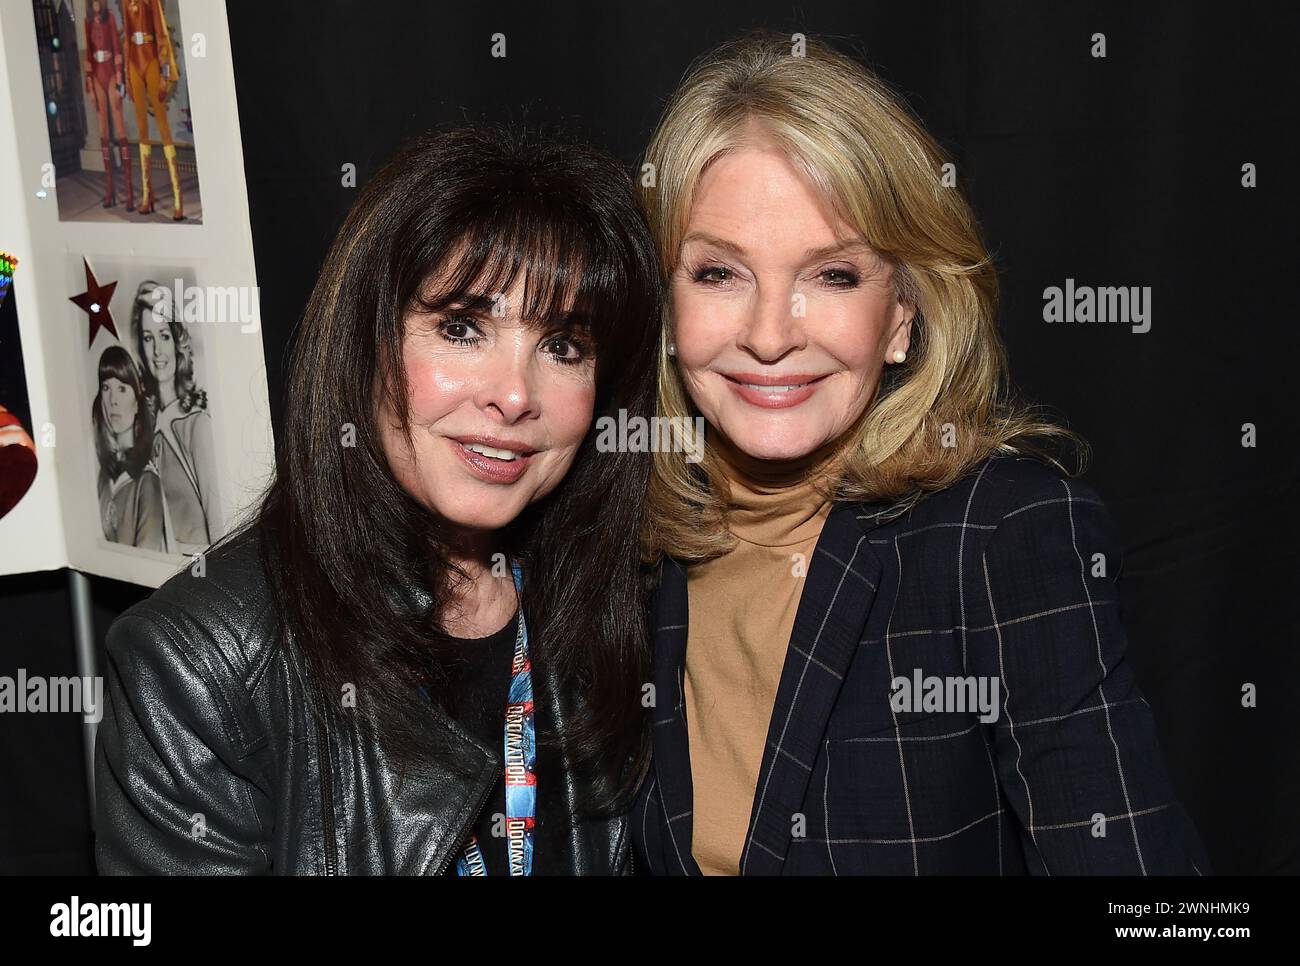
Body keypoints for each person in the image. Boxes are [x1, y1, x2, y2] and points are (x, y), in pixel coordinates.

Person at [632, 30, 1211, 875]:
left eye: (833, 276)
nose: (768, 335)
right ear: (663, 304)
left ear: (902, 315)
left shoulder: (1003, 534)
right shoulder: (627, 540)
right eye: (719, 273)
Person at [95, 125, 661, 874]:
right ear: (363, 345)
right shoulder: (200, 667)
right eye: (462, 329)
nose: (517, 395)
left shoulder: (622, 605)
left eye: (563, 347)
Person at [131, 279, 217, 555]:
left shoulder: (197, 425)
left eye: (163, 335)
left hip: (196, 574)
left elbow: (219, 531)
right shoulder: (142, 426)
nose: (157, 350)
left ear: (177, 340)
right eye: (148, 338)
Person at [92, 344, 163, 550]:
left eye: (122, 389)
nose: (113, 400)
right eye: (106, 388)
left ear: (137, 402)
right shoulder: (103, 478)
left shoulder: (147, 482)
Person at [120, 0, 183, 219]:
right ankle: (147, 195)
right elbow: (127, 38)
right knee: (141, 127)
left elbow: (162, 36)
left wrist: (165, 74)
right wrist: (127, 74)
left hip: (152, 61)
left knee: (163, 125)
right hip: (134, 64)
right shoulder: (125, 2)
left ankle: (177, 197)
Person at [82, 0, 131, 210]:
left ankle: (129, 192)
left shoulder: (109, 16)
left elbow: (117, 47)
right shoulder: (86, 22)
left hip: (111, 73)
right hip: (97, 76)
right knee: (102, 129)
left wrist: (120, 79)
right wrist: (90, 86)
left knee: (119, 125)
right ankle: (109, 190)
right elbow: (88, 56)